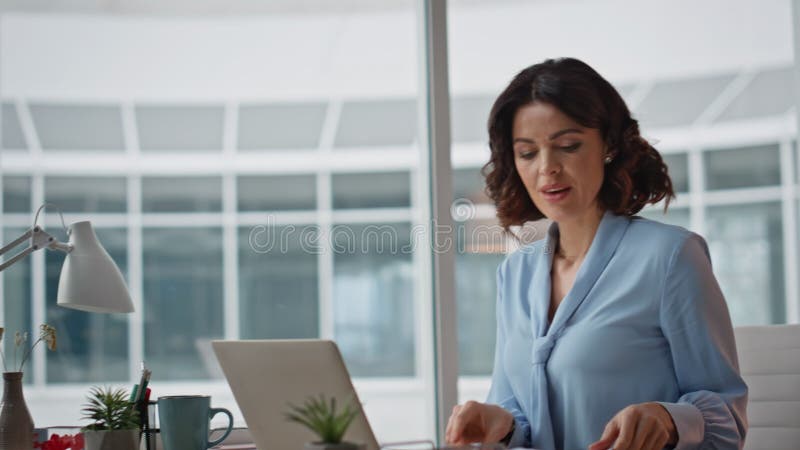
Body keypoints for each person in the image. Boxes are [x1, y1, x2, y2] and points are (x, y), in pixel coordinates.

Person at [445, 58, 747, 450]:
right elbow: (519, 411)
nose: (547, 169)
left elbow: (730, 421)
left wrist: (669, 419)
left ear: (607, 145)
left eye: (567, 146)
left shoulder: (671, 258)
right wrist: (500, 423)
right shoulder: (514, 273)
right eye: (527, 153)